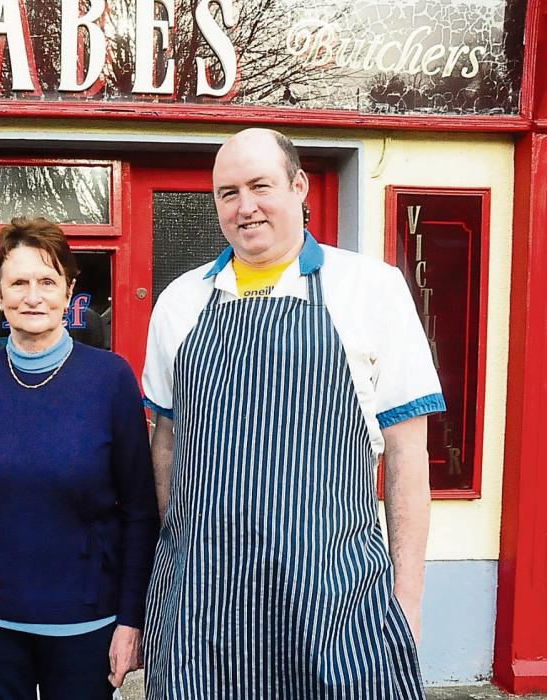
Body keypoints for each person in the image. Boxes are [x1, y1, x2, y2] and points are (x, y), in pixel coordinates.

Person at [140, 128, 443, 698]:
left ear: (299, 186)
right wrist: (179, 555)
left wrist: (407, 599)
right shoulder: (180, 300)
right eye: (227, 193)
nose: (245, 206)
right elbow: (167, 441)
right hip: (205, 603)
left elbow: (407, 454)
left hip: (336, 598)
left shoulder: (371, 288)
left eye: (260, 186)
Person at [0, 217, 158, 699]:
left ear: (69, 290)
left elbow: (140, 512)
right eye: (18, 282)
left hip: (86, 624)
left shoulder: (110, 379)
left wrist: (131, 618)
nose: (32, 296)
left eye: (47, 281)